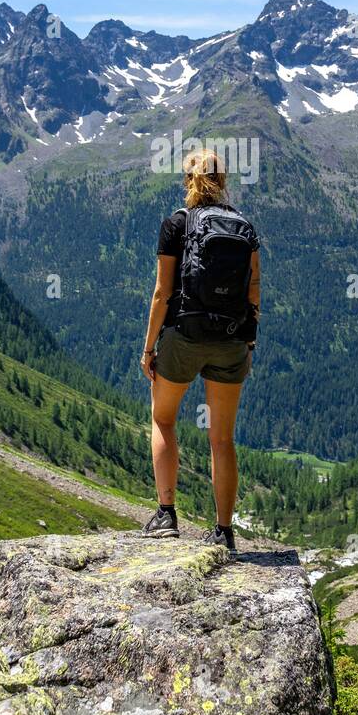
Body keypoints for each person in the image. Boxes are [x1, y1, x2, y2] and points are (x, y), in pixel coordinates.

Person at [139, 148, 260, 552]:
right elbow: (254, 290)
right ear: (222, 181)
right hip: (231, 339)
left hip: (184, 336)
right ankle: (224, 532)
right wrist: (248, 341)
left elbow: (162, 293)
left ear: (188, 180)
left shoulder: (177, 223)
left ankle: (166, 515)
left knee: (163, 418)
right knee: (222, 439)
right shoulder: (245, 227)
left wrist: (149, 348)